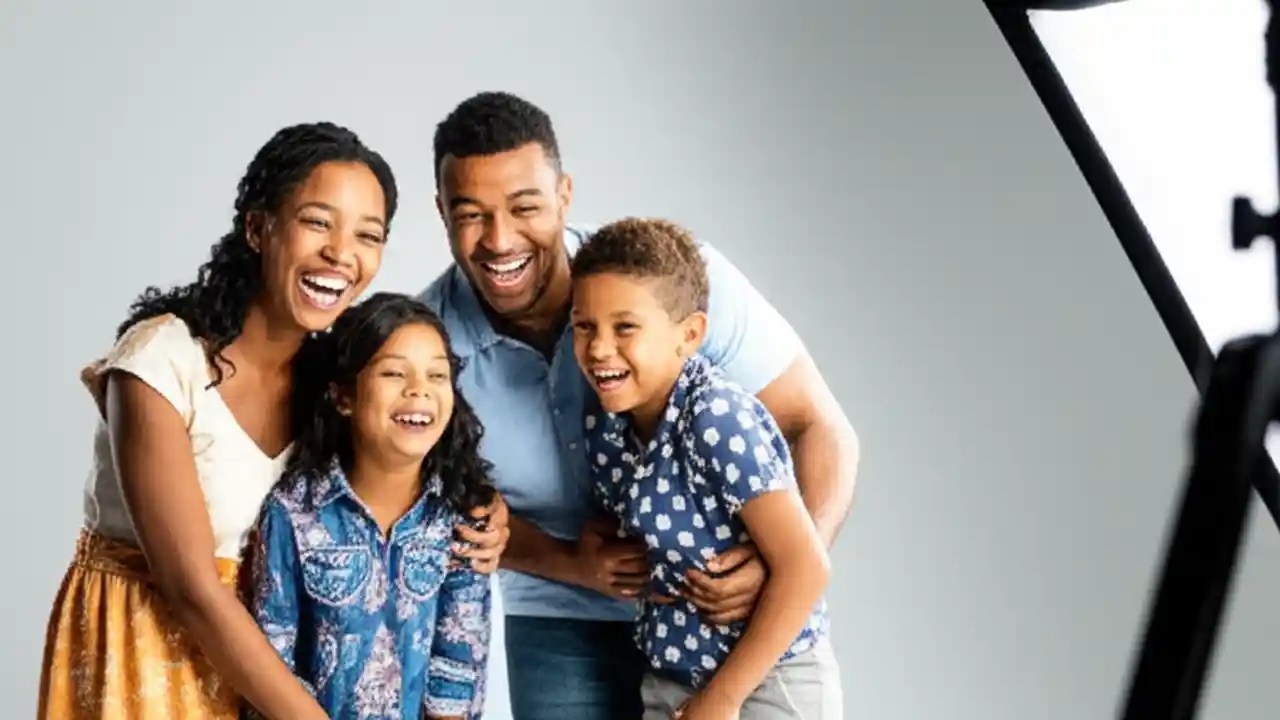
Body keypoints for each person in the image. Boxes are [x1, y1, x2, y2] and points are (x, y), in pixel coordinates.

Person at [37, 122, 507, 720]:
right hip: (148, 652)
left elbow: (411, 469)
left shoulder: (332, 379)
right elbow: (192, 591)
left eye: (369, 234)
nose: (342, 252)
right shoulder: (160, 361)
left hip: (279, 663)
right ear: (259, 229)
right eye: (318, 222)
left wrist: (491, 513)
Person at [419, 91, 859, 719]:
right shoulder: (425, 345)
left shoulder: (673, 284)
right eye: (470, 214)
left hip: (721, 624)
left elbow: (818, 427)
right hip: (558, 619)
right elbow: (440, 512)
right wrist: (569, 561)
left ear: (564, 194)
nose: (499, 239)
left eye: (525, 207)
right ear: (440, 211)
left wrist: (779, 560)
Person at [572, 218, 841, 720]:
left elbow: (805, 566)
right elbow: (660, 520)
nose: (599, 348)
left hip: (767, 682)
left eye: (625, 327)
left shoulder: (717, 418)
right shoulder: (608, 421)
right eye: (584, 326)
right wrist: (599, 539)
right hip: (672, 675)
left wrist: (722, 700)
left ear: (690, 334)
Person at [245, 292, 497, 719]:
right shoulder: (294, 513)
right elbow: (273, 658)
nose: (419, 389)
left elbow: (458, 663)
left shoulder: (459, 519)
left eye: (437, 375)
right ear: (343, 397)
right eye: (395, 373)